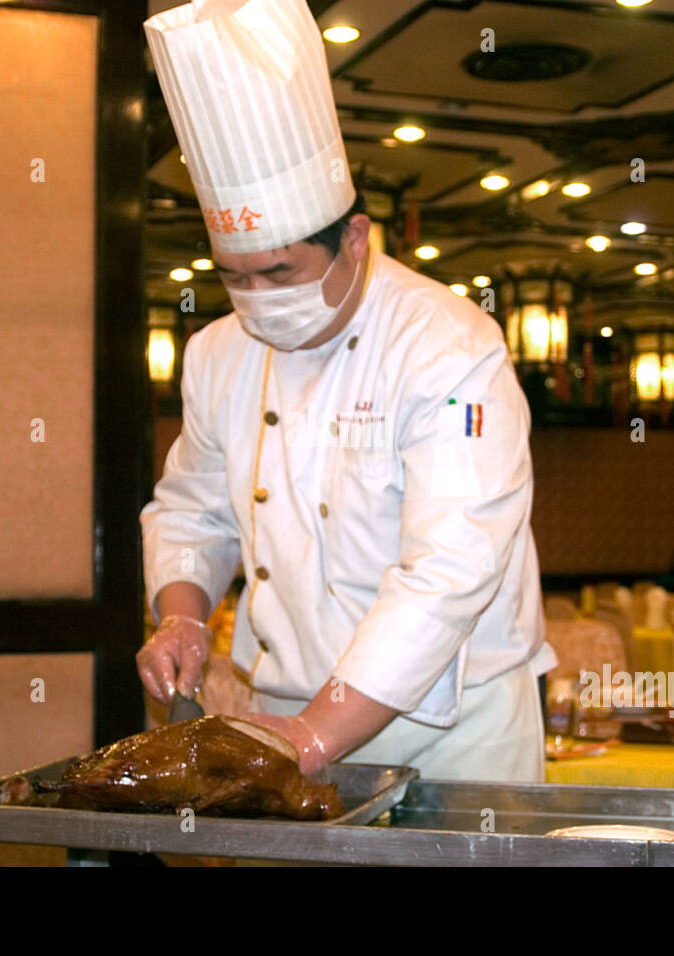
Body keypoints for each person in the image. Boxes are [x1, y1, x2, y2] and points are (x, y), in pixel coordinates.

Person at [137, 0, 553, 783]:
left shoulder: (450, 345)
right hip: (286, 711)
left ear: (354, 240)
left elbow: (449, 565)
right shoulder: (215, 354)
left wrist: (315, 736)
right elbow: (191, 509)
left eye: (281, 272)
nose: (257, 297)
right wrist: (181, 615)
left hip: (454, 730)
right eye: (235, 277)